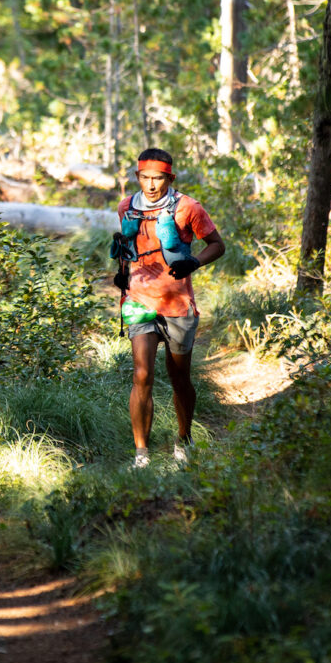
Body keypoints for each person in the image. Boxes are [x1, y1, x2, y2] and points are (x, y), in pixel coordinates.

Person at [111, 149, 225, 468]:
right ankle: (141, 455)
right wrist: (122, 276)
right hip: (138, 301)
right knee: (142, 374)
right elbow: (127, 250)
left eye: (157, 178)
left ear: (169, 178)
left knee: (180, 379)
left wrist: (194, 261)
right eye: (145, 178)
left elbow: (218, 245)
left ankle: (184, 439)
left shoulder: (188, 207)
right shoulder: (127, 208)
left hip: (177, 305)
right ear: (137, 177)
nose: (150, 184)